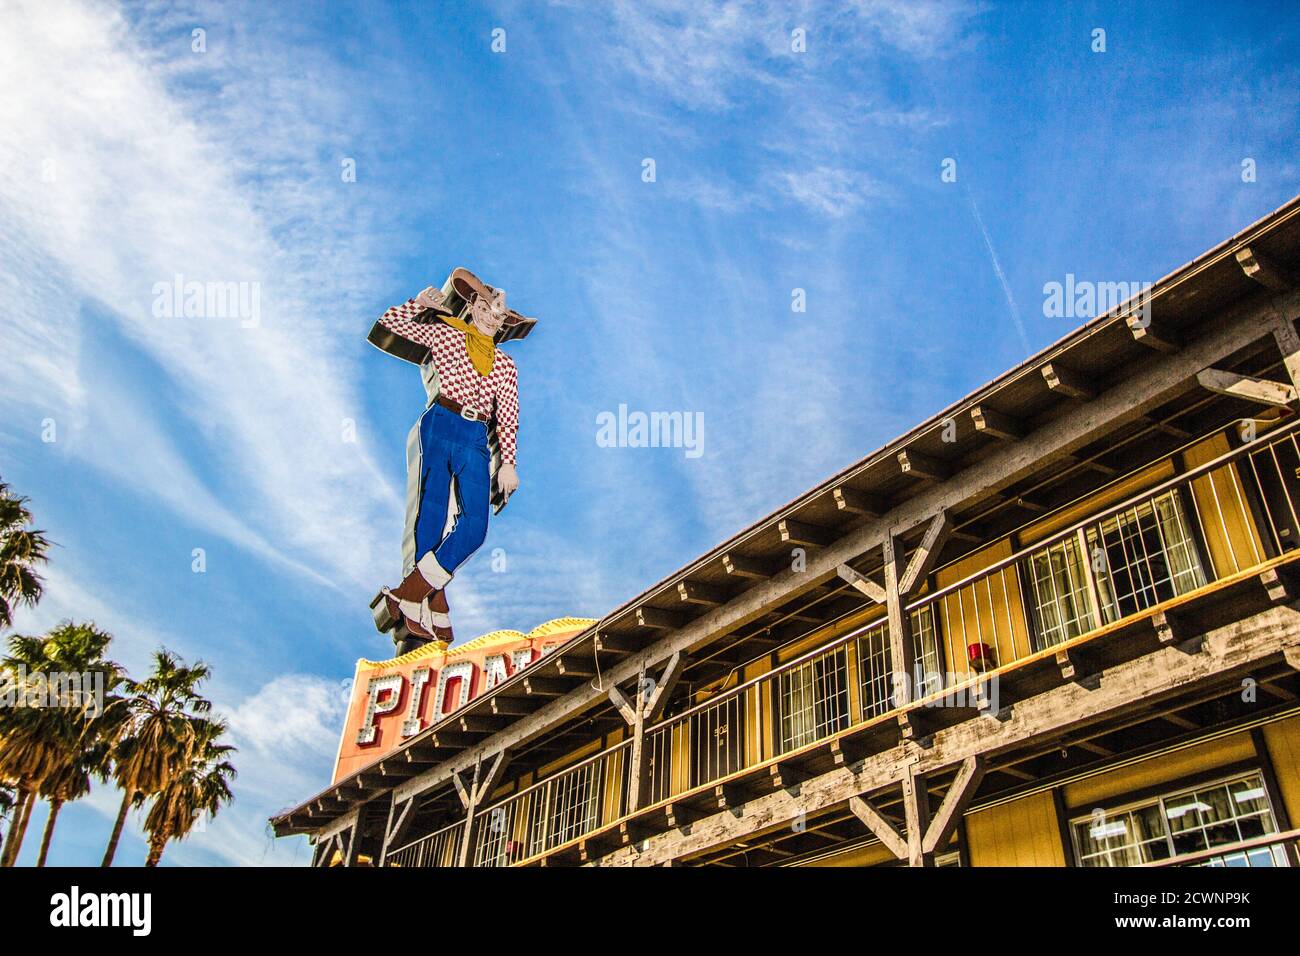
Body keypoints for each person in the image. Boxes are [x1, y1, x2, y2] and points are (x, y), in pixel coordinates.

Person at [371, 281, 520, 652]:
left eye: (498, 314)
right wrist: (417, 302)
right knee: (430, 514)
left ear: (503, 323)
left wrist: (509, 464)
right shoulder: (446, 335)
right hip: (440, 419)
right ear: (472, 309)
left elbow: (509, 417)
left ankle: (408, 595)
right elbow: (390, 326)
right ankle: (430, 604)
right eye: (485, 309)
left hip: (474, 436)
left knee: (474, 527)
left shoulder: (505, 364)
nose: (490, 317)